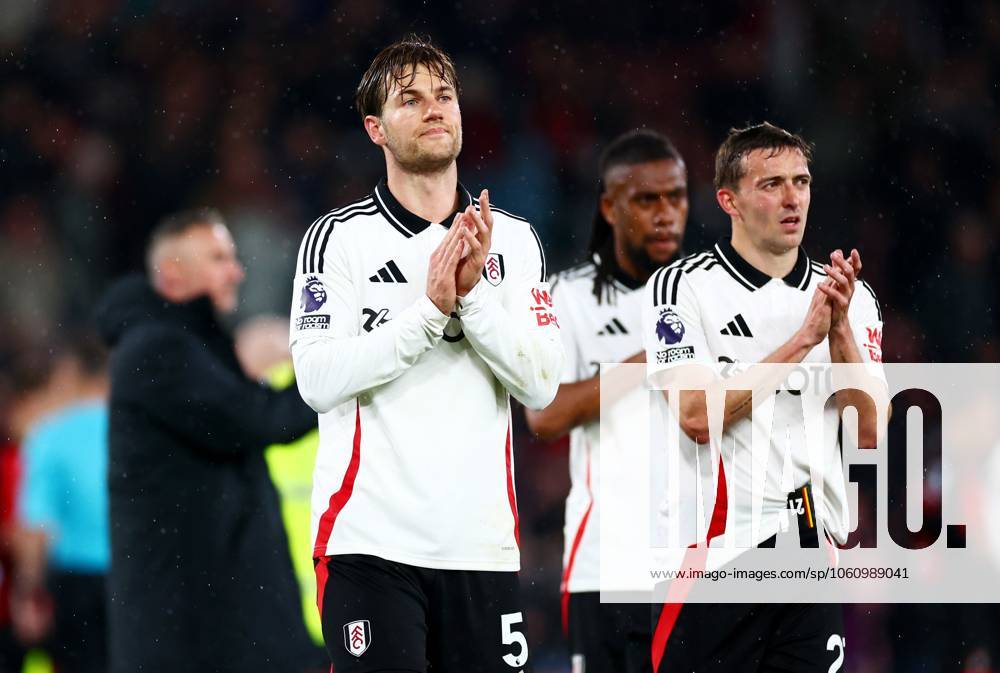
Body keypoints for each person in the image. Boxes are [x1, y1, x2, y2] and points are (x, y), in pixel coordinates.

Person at [289, 35, 563, 672]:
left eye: (445, 96)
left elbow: (543, 385)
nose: (435, 109)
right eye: (410, 100)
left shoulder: (515, 243)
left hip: (482, 552)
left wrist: (471, 301)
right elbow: (317, 379)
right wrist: (429, 313)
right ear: (375, 128)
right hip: (370, 546)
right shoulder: (338, 239)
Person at [642, 122, 886, 672]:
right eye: (771, 183)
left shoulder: (850, 296)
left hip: (808, 554)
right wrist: (802, 340)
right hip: (711, 555)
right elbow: (696, 415)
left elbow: (869, 428)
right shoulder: (682, 288)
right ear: (729, 199)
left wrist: (840, 329)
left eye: (800, 181)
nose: (791, 196)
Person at [95, 208, 322, 673]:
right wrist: (340, 375)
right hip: (190, 632)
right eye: (219, 258)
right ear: (172, 273)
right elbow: (261, 420)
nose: (236, 271)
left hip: (209, 623)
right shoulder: (157, 350)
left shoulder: (190, 346)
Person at [523, 129, 688, 673]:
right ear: (610, 207)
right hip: (605, 566)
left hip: (703, 566)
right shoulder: (566, 298)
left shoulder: (708, 293)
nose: (666, 213)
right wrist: (652, 362)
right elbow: (543, 414)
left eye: (677, 196)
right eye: (648, 199)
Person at [11, 334, 110, 673]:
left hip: (76, 582)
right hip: (138, 576)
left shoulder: (49, 436)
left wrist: (28, 592)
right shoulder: (137, 430)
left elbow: (38, 526)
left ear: (68, 376)